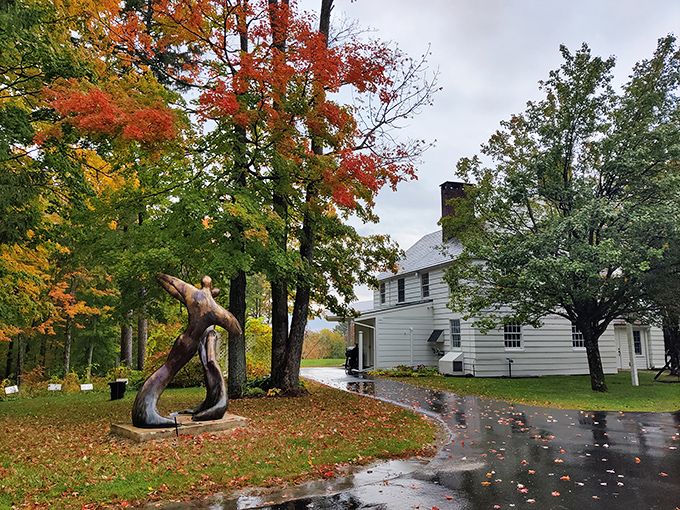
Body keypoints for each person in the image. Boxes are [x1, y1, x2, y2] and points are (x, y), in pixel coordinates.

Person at [131, 274, 241, 428]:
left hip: (185, 340)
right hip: (191, 344)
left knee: (169, 366)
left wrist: (159, 276)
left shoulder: (192, 294)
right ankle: (145, 412)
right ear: (212, 290)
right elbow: (236, 328)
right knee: (171, 367)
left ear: (202, 283)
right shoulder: (215, 309)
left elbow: (169, 283)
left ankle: (145, 409)